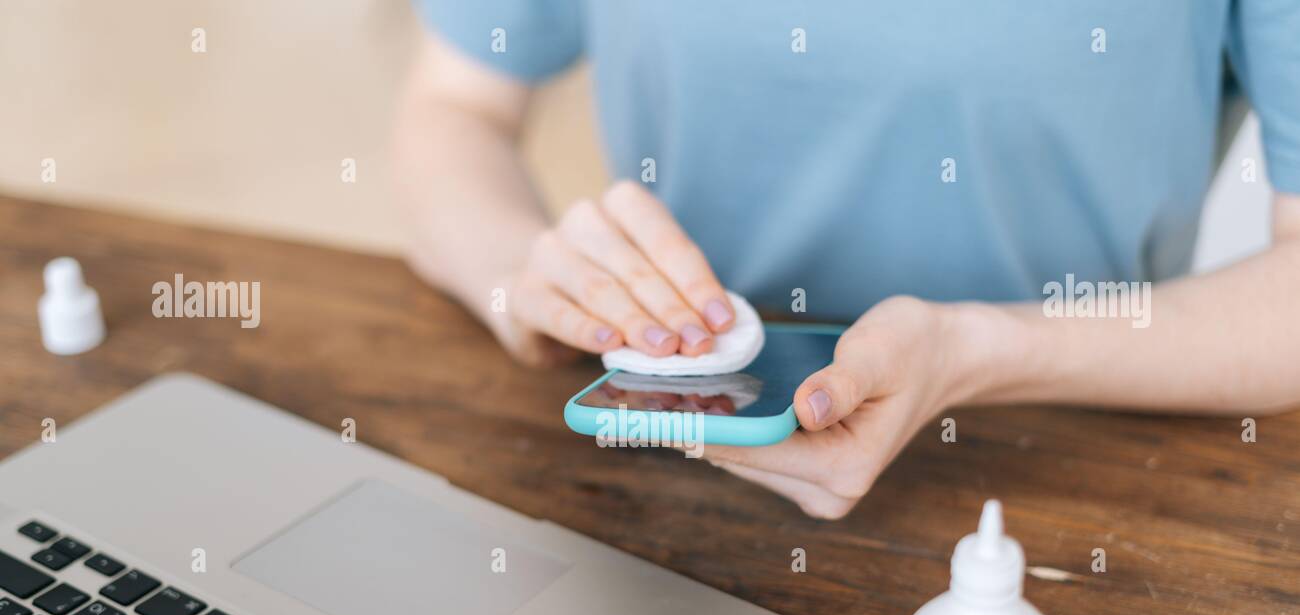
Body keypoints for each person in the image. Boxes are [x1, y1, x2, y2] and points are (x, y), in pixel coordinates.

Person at [394, 1, 1300, 519]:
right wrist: (529, 281)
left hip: (1074, 476)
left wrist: (977, 350)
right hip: (666, 463)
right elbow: (452, 112)